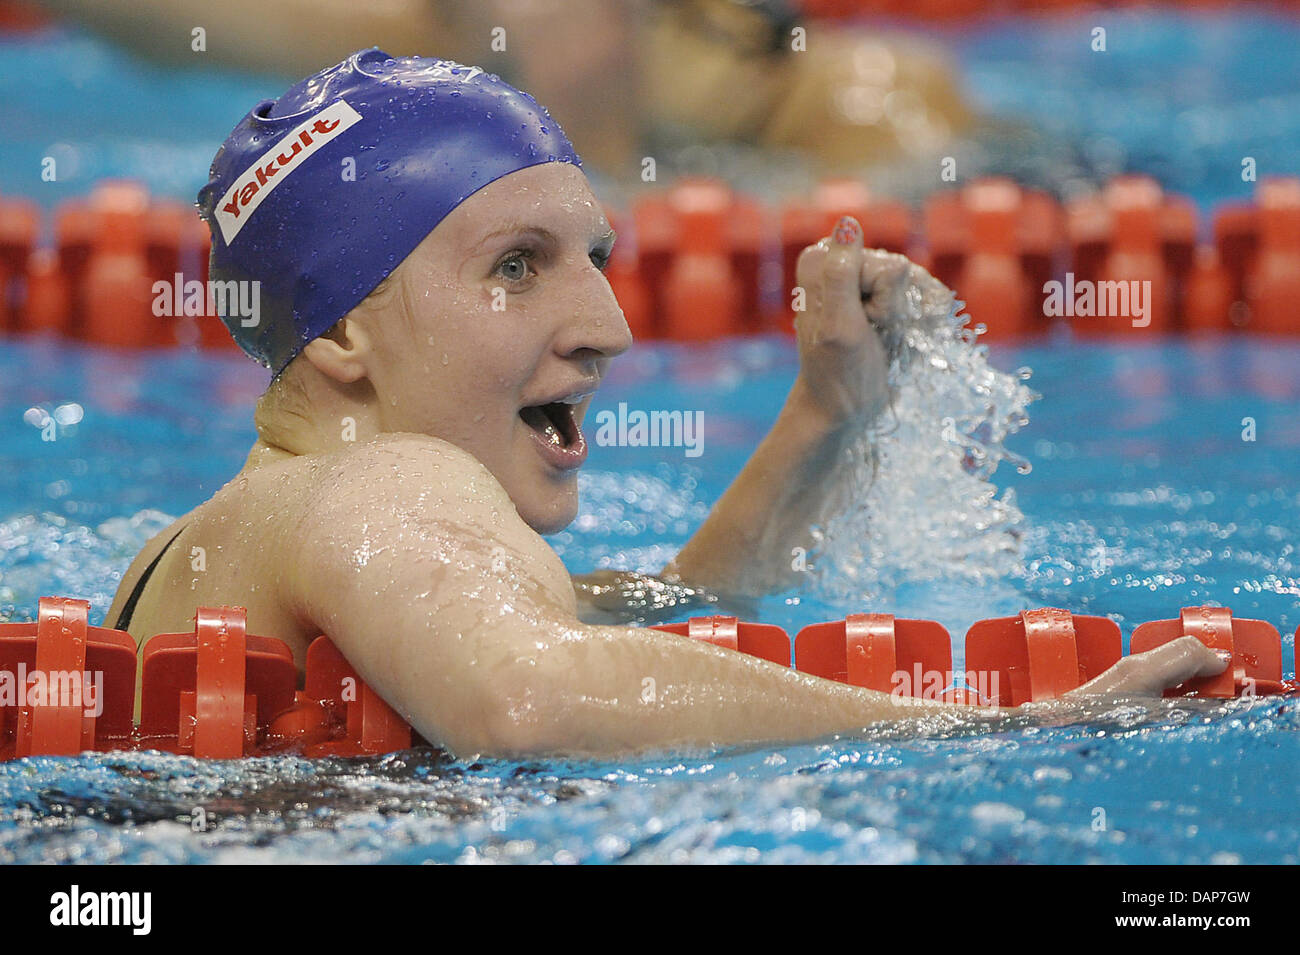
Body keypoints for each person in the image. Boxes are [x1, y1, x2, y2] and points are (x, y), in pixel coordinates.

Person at [107, 50, 1226, 757]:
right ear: (345, 330)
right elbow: (534, 696)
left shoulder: (193, 554)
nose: (610, 326)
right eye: (515, 266)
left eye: (592, 255)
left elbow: (656, 608)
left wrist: (826, 413)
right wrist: (999, 727)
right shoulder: (388, 481)